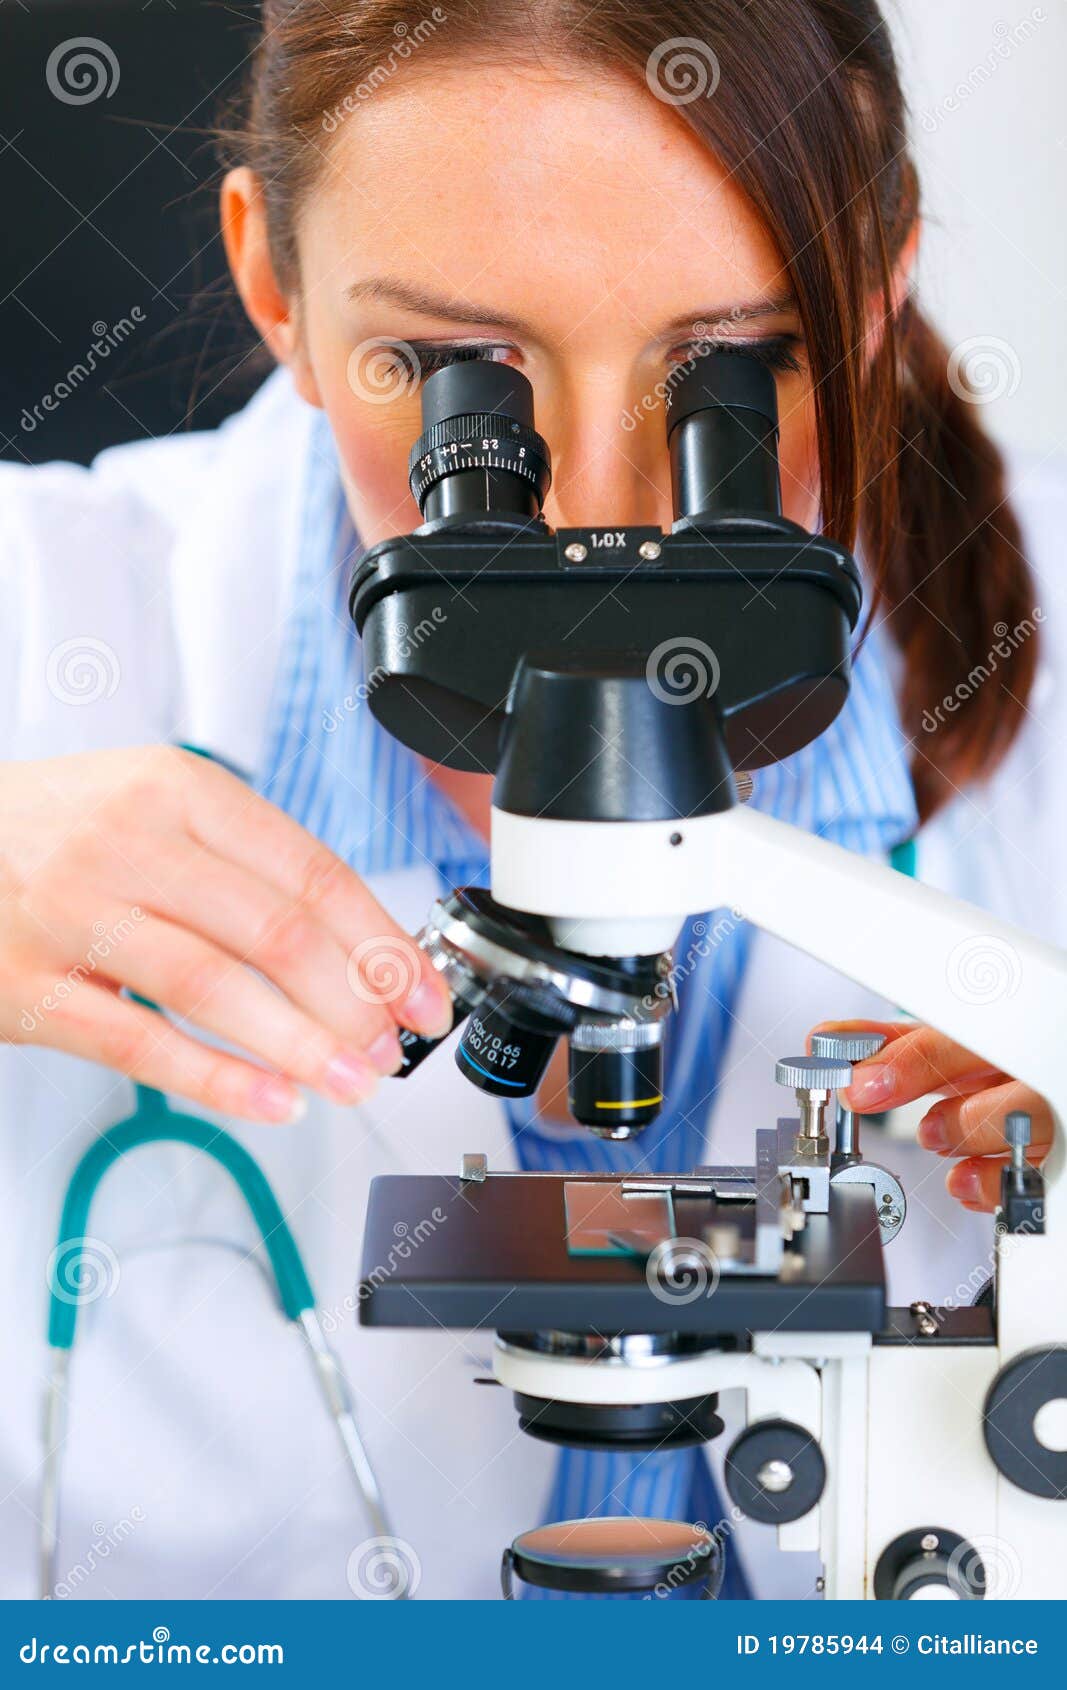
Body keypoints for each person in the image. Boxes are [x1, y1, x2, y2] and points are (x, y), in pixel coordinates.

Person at [1, 0, 1061, 1600]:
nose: (596, 517)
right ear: (274, 278)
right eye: (453, 376)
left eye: (737, 369)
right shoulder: (42, 621)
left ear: (881, 278)